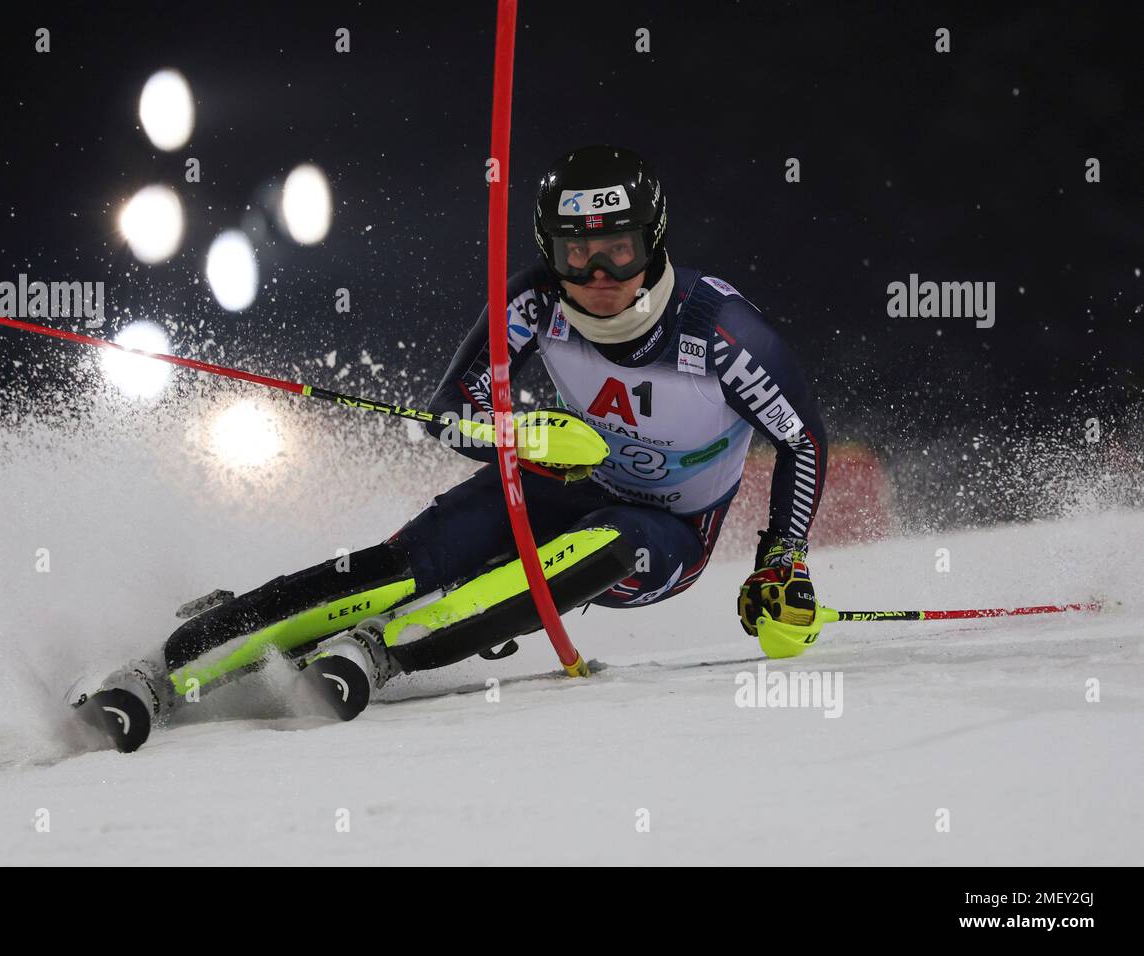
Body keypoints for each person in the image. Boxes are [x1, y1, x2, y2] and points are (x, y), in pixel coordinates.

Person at [74, 145, 829, 752]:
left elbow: (800, 439)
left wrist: (780, 557)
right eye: (576, 255)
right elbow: (450, 412)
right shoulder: (535, 302)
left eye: (620, 252)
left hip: (669, 532)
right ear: (550, 252)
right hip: (560, 482)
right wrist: (521, 434)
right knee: (396, 567)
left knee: (613, 542)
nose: (598, 277)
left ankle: (383, 649)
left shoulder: (720, 334)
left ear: (653, 244)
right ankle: (166, 666)